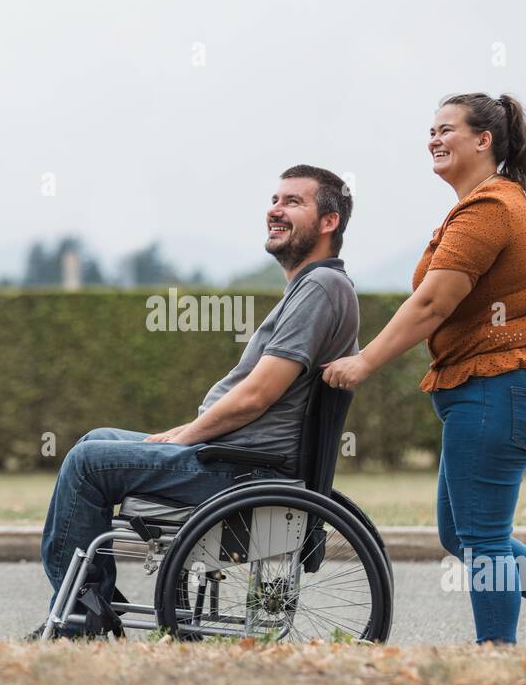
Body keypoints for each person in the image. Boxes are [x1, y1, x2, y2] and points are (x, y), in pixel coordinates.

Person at [320, 93, 526, 647]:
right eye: (430, 130)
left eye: (446, 129)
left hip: (500, 390)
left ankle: (497, 652)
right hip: (497, 392)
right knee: (463, 534)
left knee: (482, 536)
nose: (434, 139)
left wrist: (364, 362)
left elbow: (432, 304)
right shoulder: (486, 206)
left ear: (484, 140)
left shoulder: (489, 210)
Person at [32, 164, 361, 638]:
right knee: (98, 440)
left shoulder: (321, 287)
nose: (275, 209)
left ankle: (84, 620)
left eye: (293, 201)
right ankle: (96, 609)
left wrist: (186, 434)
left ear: (329, 222)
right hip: (240, 461)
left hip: (243, 471)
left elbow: (257, 395)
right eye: (274, 199)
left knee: (86, 462)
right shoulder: (316, 287)